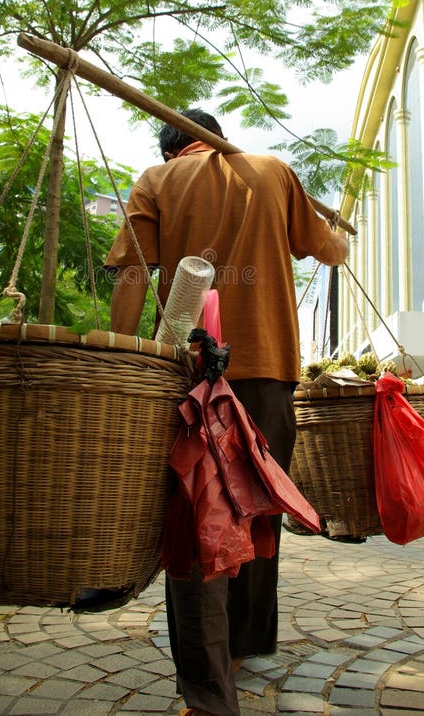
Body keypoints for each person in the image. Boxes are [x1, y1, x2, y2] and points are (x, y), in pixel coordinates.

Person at [105, 108, 349, 716]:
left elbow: (134, 273)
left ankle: (211, 687)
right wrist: (336, 232)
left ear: (170, 149)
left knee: (197, 522)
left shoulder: (156, 182)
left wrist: (123, 361)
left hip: (187, 373)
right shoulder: (273, 171)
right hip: (268, 370)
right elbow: (331, 253)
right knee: (259, 510)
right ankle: (247, 640)